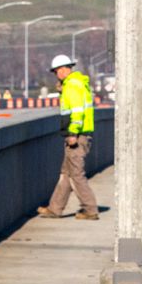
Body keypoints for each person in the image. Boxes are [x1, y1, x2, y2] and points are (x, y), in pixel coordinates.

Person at [37, 54, 99, 221]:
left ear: (63, 70)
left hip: (77, 136)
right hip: (78, 134)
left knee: (76, 174)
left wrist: (73, 133)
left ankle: (90, 209)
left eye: (56, 71)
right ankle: (55, 208)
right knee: (66, 173)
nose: (56, 75)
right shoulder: (73, 85)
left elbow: (77, 112)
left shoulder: (73, 86)